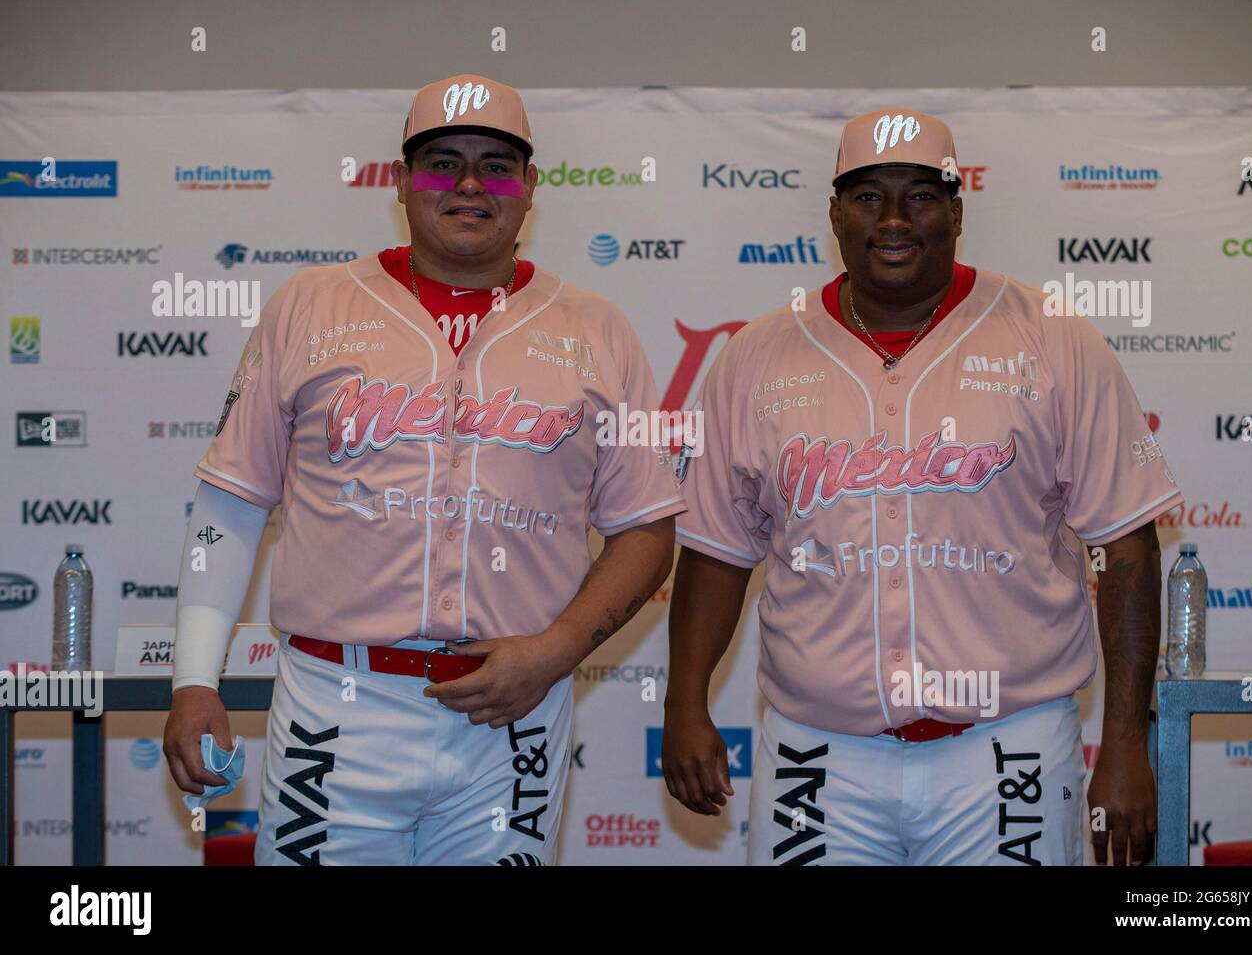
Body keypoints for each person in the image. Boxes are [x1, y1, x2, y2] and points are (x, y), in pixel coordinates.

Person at [163, 74, 685, 865]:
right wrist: (194, 679)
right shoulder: (310, 304)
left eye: (497, 165)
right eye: (443, 162)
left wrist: (558, 650)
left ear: (531, 188)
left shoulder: (597, 329)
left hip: (515, 710)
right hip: (338, 705)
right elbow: (229, 502)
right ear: (402, 182)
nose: (471, 184)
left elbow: (646, 526)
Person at [664, 108, 1181, 866]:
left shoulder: (1051, 335)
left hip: (1010, 746)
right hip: (819, 750)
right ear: (835, 213)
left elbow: (1128, 547)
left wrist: (1130, 747)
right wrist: (683, 703)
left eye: (923, 195)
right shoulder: (757, 357)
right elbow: (716, 549)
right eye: (869, 196)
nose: (896, 219)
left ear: (958, 210)